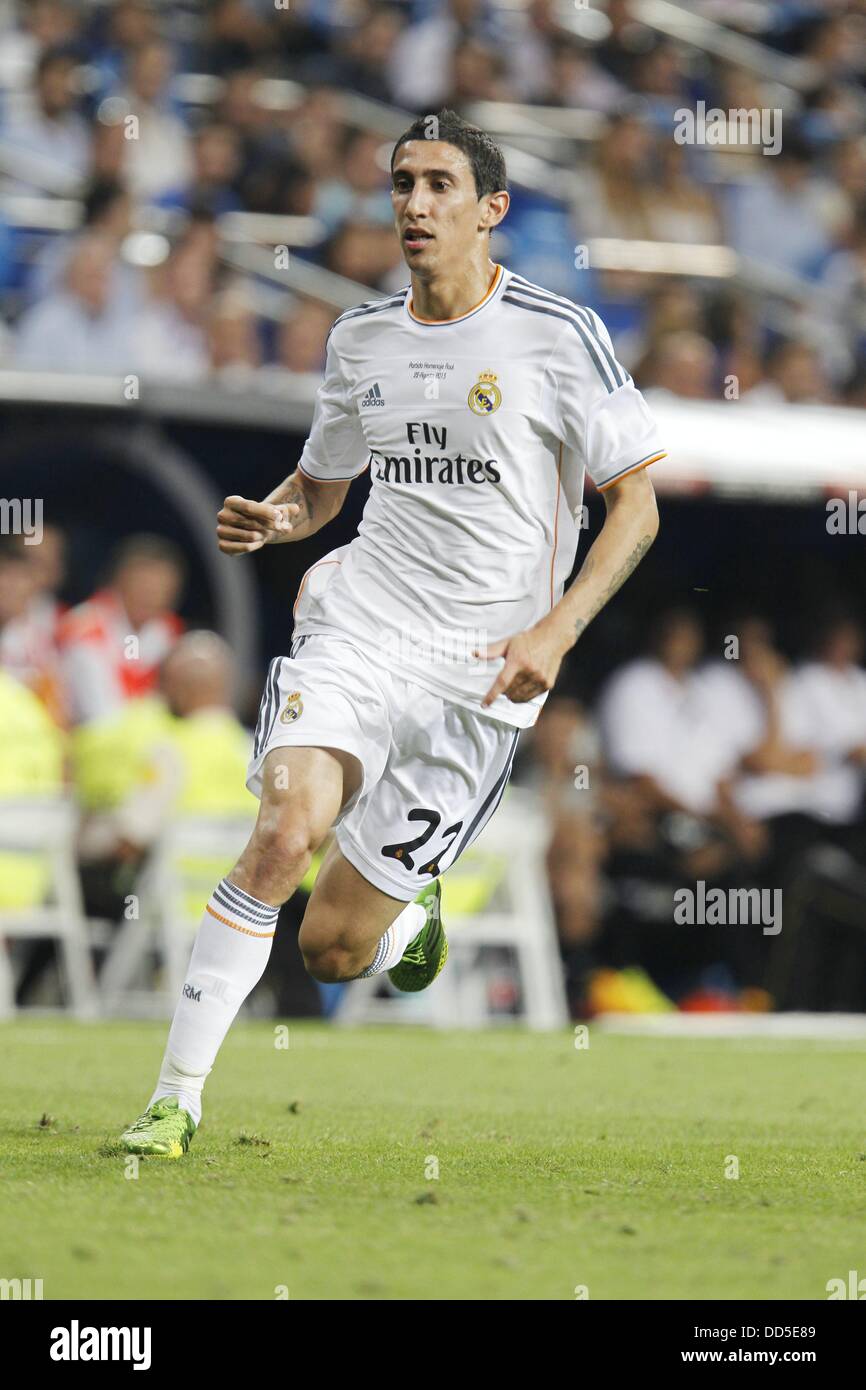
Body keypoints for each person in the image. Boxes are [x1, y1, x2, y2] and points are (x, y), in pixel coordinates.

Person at [119, 107, 665, 1158]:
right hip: (361, 627)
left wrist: (554, 630)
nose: (413, 203)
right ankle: (174, 1098)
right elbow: (323, 487)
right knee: (282, 833)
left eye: (439, 185)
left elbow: (635, 504)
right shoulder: (360, 338)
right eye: (402, 182)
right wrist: (281, 516)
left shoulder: (556, 335)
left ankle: (406, 915)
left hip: (483, 678)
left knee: (330, 949)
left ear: (490, 210)